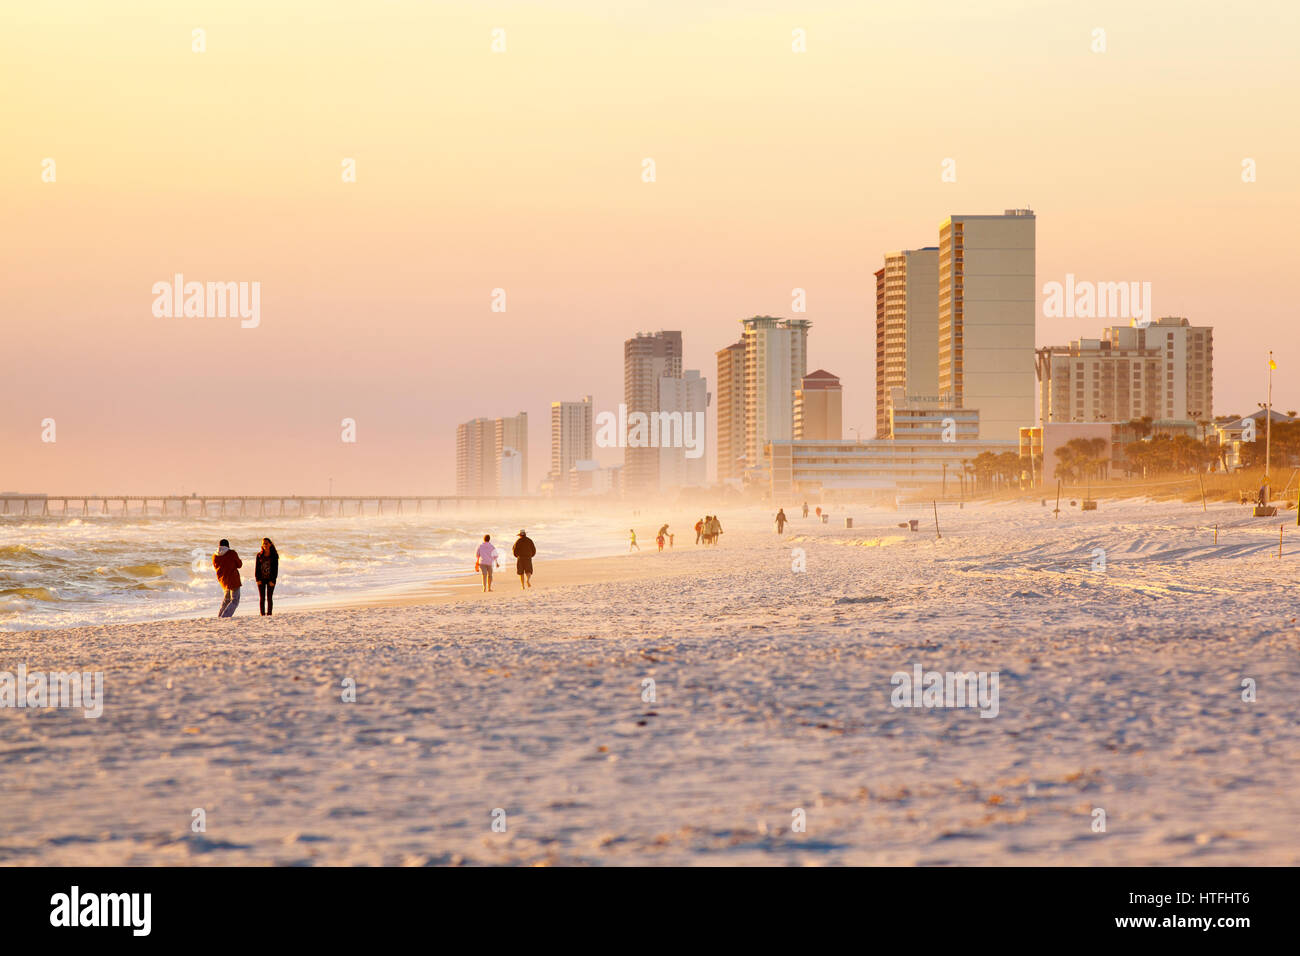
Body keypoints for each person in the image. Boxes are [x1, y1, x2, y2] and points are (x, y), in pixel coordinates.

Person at [212, 538, 242, 618]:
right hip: (233, 579)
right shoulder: (231, 553)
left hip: (223, 580)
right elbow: (239, 565)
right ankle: (225, 616)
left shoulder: (214, 556)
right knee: (235, 600)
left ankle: (220, 616)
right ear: (228, 545)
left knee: (226, 600)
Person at [254, 537, 278, 616]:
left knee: (269, 597)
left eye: (266, 543)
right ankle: (262, 613)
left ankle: (269, 613)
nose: (265, 545)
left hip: (270, 579)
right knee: (262, 598)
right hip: (261, 578)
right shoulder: (259, 555)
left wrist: (273, 580)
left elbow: (275, 569)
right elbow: (257, 568)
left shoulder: (274, 555)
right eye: (264, 543)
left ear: (270, 544)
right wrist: (257, 579)